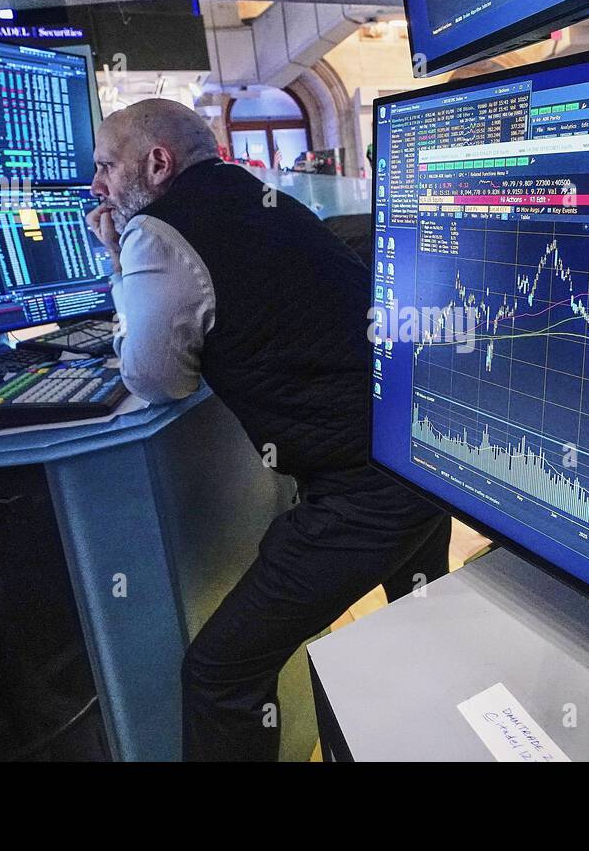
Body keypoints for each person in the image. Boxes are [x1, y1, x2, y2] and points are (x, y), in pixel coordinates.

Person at [86, 98, 451, 761]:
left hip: (363, 494)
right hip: (420, 453)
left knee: (219, 673)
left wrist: (118, 262)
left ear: (157, 162)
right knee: (416, 627)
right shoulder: (260, 197)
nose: (98, 187)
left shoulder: (157, 233)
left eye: (107, 166)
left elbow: (156, 377)